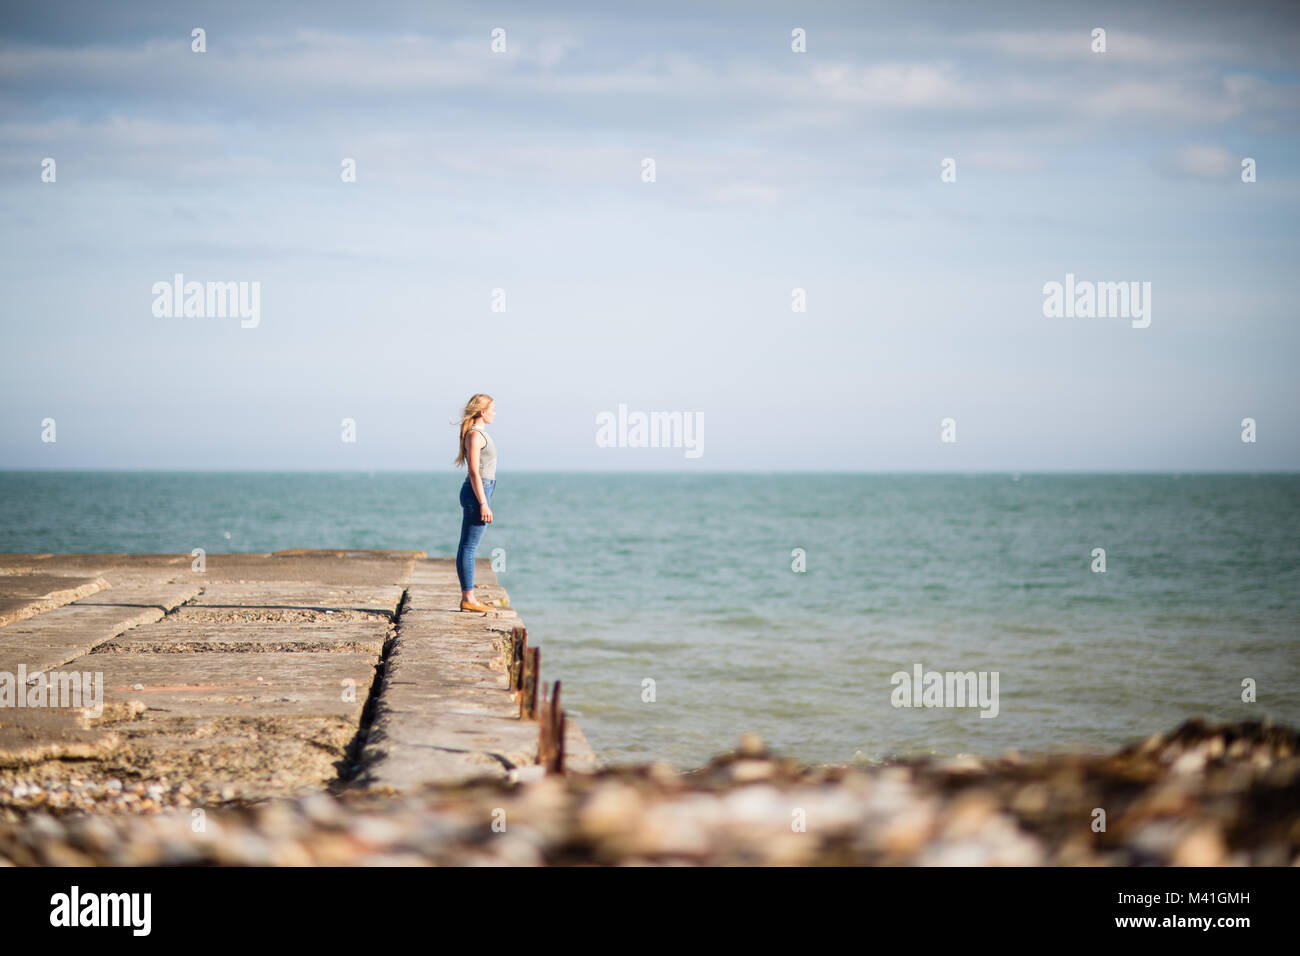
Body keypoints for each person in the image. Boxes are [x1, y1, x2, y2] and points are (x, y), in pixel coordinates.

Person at [453, 393, 497, 612]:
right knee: (469, 547)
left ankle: (470, 597)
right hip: (476, 493)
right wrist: (483, 503)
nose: (494, 413)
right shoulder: (474, 435)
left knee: (468, 546)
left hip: (481, 490)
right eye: (492, 409)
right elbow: (473, 471)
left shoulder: (479, 434)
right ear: (482, 411)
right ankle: (468, 598)